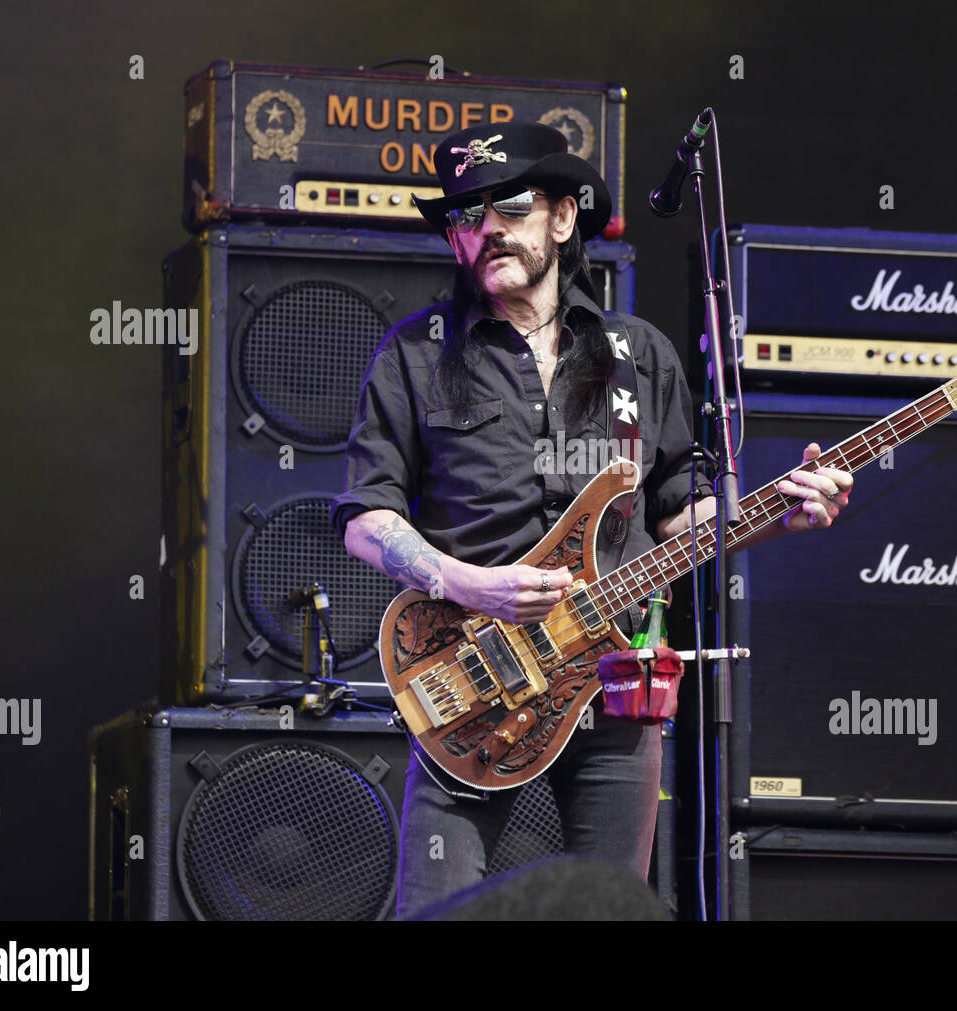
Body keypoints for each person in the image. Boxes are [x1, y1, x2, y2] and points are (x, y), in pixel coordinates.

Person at [331, 122, 853, 917]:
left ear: (564, 217)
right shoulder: (414, 355)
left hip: (617, 678)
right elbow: (365, 518)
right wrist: (468, 582)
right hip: (473, 677)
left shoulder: (637, 355)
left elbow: (680, 517)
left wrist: (783, 514)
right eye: (465, 216)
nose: (487, 229)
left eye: (508, 205)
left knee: (611, 906)